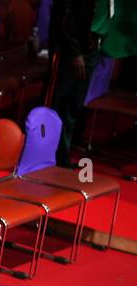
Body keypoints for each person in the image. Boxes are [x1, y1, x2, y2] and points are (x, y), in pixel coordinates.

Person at [50, 0, 101, 165]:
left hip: (91, 48)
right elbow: (64, 15)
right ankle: (47, 155)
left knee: (73, 107)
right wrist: (74, 52)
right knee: (59, 105)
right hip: (72, 52)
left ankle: (62, 156)